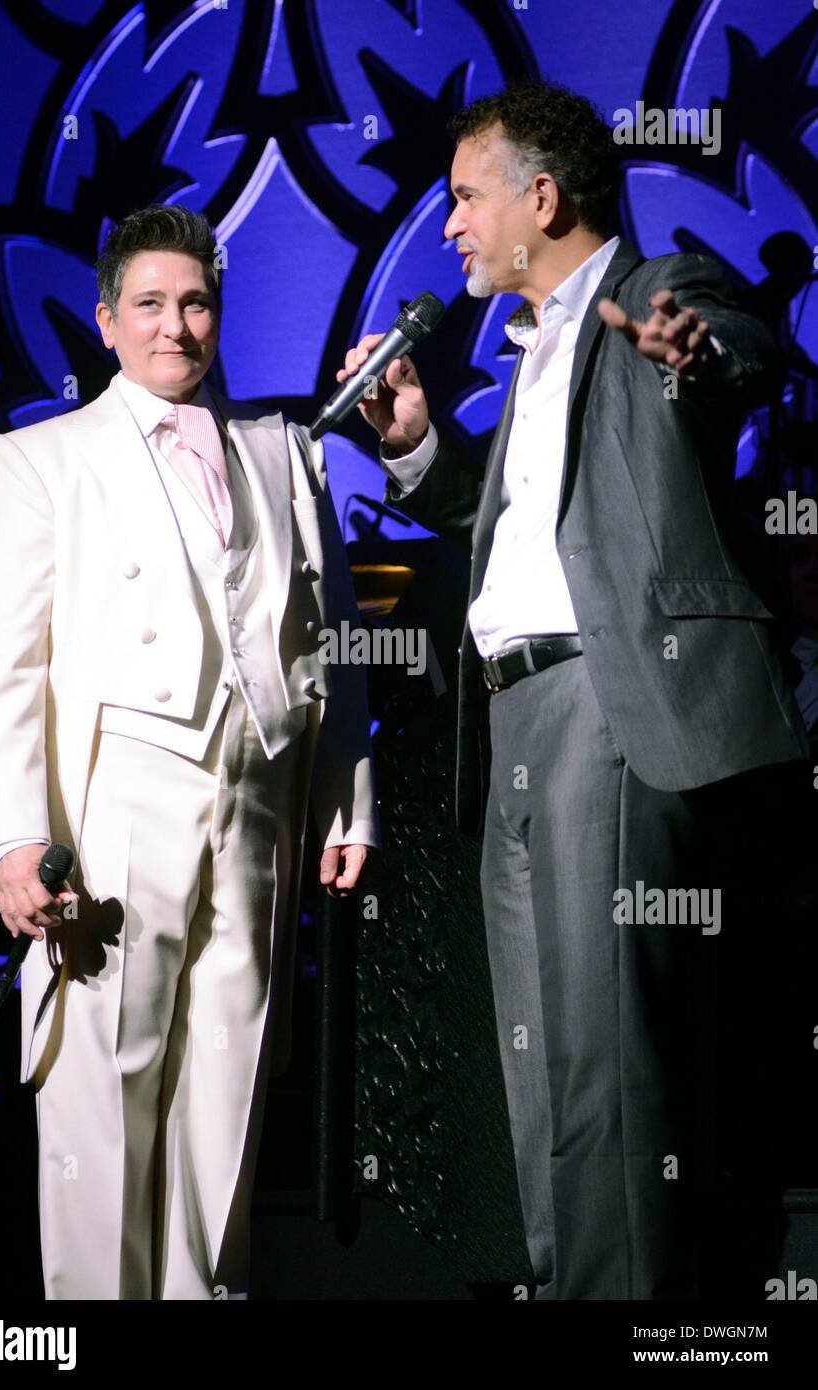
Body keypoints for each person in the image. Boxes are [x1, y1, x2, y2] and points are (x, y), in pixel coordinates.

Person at [338, 82, 810, 1299]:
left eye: (462, 197)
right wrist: (414, 443)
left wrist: (691, 355)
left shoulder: (651, 298)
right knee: (540, 1065)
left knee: (608, 1068)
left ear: (537, 199)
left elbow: (741, 352)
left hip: (608, 704)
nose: (448, 226)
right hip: (508, 721)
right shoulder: (531, 356)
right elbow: (514, 532)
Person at [0, 204, 380, 1300]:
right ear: (106, 321)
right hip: (115, 808)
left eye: (195, 302)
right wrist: (14, 837)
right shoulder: (37, 459)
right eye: (149, 304)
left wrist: (348, 793)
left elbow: (328, 638)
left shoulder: (283, 452)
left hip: (255, 807)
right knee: (107, 1091)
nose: (175, 327)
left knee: (225, 1092)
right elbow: (5, 668)